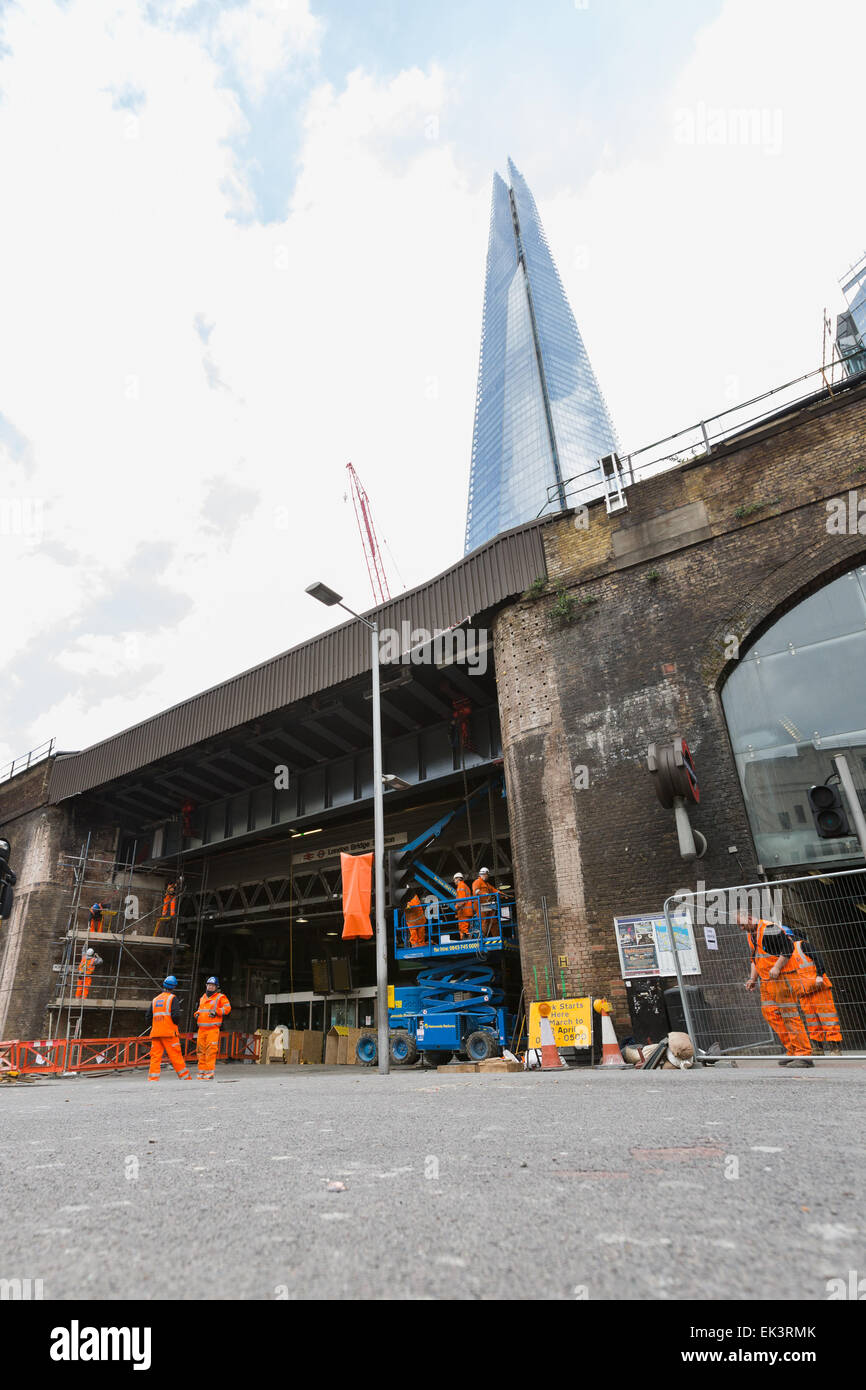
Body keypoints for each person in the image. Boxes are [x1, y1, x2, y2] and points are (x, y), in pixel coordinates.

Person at [738, 912, 813, 1066]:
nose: (741, 928)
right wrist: (753, 978)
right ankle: (792, 1049)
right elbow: (755, 958)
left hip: (782, 978)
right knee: (770, 1014)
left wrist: (777, 967)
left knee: (790, 1015)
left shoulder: (769, 928)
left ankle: (804, 1054)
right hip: (767, 981)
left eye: (743, 924)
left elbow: (787, 948)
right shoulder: (751, 933)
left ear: (750, 918)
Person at [787, 938, 843, 1055]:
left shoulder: (801, 946)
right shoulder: (783, 955)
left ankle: (834, 1047)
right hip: (803, 993)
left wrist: (820, 975)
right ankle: (818, 1048)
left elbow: (818, 959)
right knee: (811, 1021)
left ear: (788, 937)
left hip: (818, 988)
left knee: (827, 1017)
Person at [146, 975, 191, 1082]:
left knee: (155, 1057)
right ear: (174, 987)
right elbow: (176, 1015)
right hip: (169, 1032)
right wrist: (175, 1024)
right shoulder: (172, 998)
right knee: (175, 1056)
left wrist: (156, 1026)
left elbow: (148, 1016)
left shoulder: (155, 999)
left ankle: (153, 1078)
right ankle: (185, 1078)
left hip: (156, 1033)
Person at [193, 976, 232, 1080]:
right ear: (206, 986)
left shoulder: (220, 997)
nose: (210, 987)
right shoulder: (202, 998)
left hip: (212, 1030)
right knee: (200, 1051)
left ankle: (209, 1073)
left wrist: (217, 1012)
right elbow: (200, 1010)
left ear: (216, 987)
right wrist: (196, 1014)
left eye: (212, 985)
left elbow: (227, 1008)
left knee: (211, 1051)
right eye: (209, 985)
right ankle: (201, 1072)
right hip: (201, 1030)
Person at [472, 867, 502, 938]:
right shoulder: (477, 882)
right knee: (484, 921)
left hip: (487, 905)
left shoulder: (487, 884)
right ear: (484, 874)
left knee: (493, 921)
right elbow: (476, 891)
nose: (488, 876)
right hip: (480, 905)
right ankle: (483, 937)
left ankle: (497, 936)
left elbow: (494, 890)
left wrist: (502, 894)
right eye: (487, 875)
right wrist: (484, 894)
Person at [404, 882, 428, 947]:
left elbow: (414, 905)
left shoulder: (413, 897)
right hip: (415, 922)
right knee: (415, 937)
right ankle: (416, 946)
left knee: (420, 936)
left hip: (417, 922)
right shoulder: (409, 897)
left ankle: (419, 945)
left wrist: (406, 906)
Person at [453, 872, 476, 939]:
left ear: (457, 879)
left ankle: (465, 943)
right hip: (467, 911)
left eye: (454, 879)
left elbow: (461, 901)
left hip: (463, 912)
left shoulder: (460, 886)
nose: (454, 881)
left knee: (463, 929)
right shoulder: (465, 886)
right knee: (467, 929)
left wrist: (456, 908)